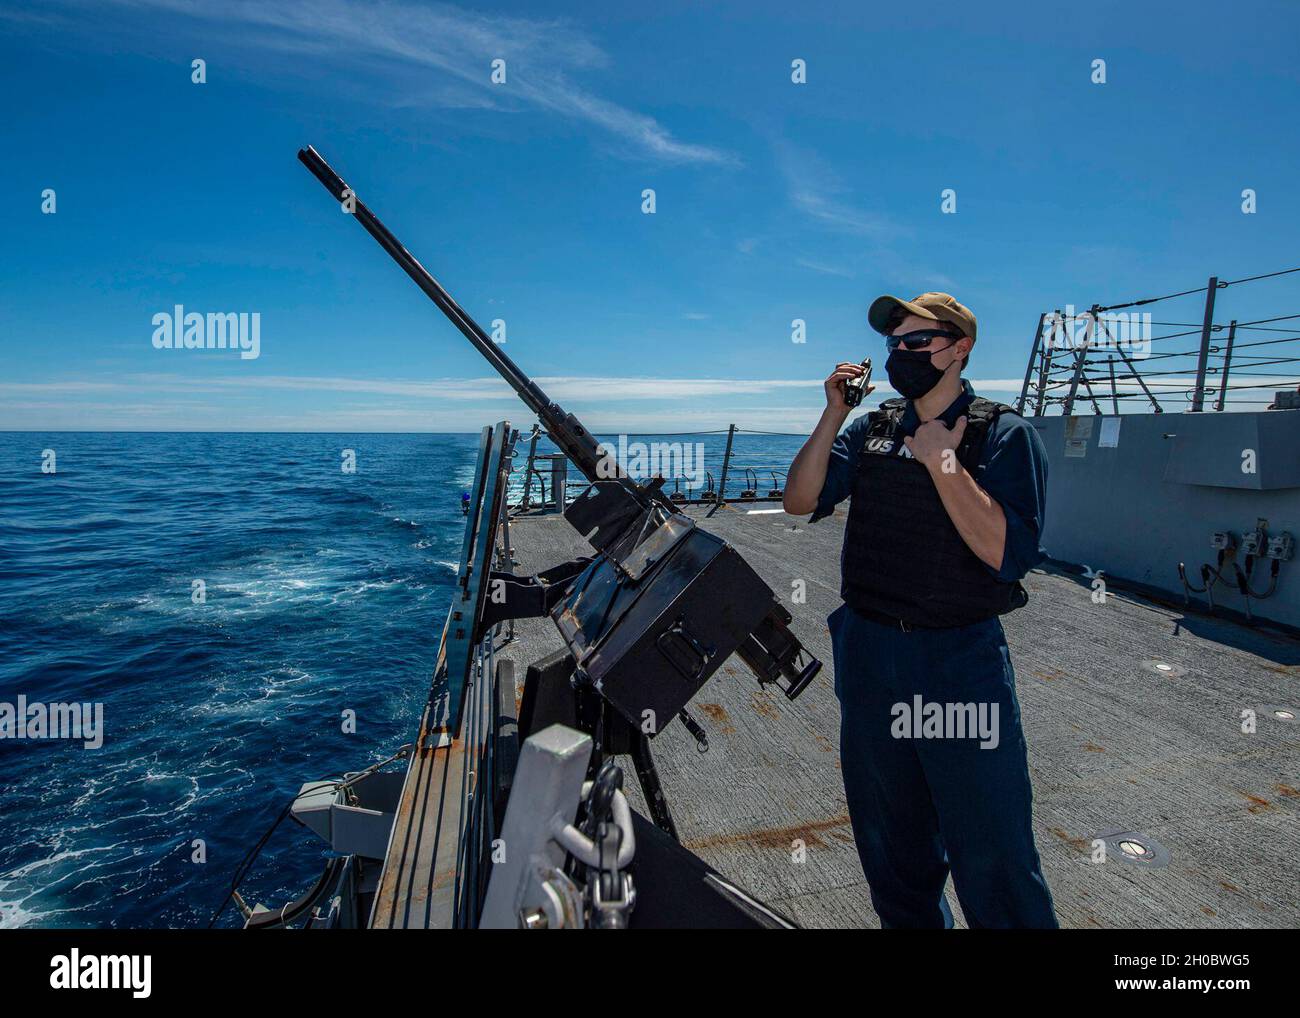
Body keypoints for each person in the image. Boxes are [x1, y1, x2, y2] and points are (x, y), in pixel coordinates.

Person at [784, 291, 1058, 928]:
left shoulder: (1004, 435)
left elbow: (1006, 554)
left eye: (917, 342)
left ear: (960, 349)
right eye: (893, 345)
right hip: (871, 654)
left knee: (992, 849)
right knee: (892, 846)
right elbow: (800, 499)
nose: (900, 355)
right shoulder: (873, 428)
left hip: (956, 661)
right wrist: (832, 414)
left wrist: (940, 461)